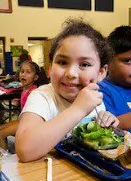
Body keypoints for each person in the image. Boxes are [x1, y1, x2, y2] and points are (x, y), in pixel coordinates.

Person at [16, 19, 118, 162]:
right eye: (62, 62)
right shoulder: (42, 96)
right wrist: (78, 109)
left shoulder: (95, 99)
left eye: (84, 64)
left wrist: (106, 122)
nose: (71, 73)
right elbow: (25, 150)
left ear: (101, 72)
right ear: (50, 68)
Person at [0, 61, 43, 150]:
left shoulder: (34, 92)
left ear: (35, 77)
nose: (23, 75)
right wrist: (19, 101)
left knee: (0, 134)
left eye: (28, 72)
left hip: (29, 124)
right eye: (22, 72)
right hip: (22, 120)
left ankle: (5, 159)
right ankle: (5, 151)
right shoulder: (25, 89)